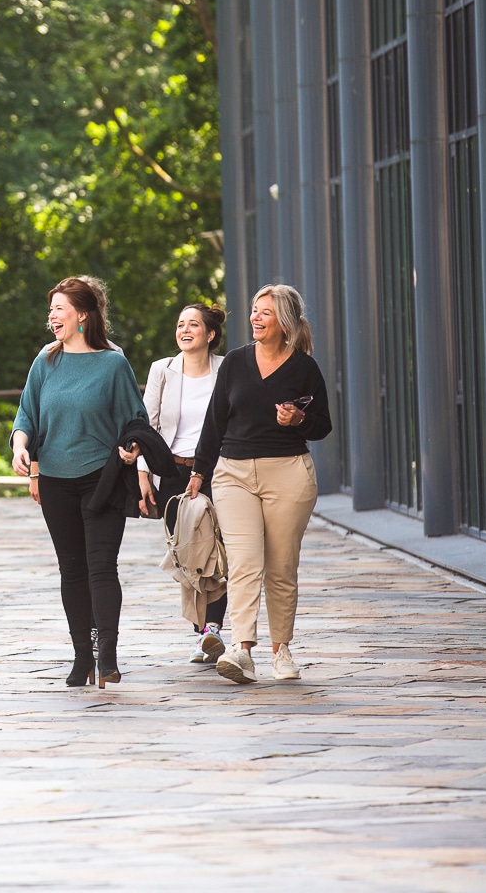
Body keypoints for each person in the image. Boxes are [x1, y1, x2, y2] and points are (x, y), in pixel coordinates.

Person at [187, 284, 332, 685]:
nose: (255, 317)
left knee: (282, 566)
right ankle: (242, 650)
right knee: (245, 562)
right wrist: (199, 472)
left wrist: (298, 420)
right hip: (233, 473)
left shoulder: (305, 368)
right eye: (254, 310)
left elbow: (323, 425)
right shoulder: (234, 362)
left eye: (264, 312)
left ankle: (281, 649)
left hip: (288, 473)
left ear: (284, 322)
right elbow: (215, 420)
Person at [10, 277, 147, 689]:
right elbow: (26, 417)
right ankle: (81, 656)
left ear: (82, 315)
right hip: (54, 480)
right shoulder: (45, 361)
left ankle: (107, 654)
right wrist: (21, 448)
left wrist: (131, 449)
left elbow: (134, 421)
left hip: (101, 480)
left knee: (102, 567)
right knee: (71, 570)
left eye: (59, 308)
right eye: (50, 309)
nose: (51, 316)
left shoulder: (112, 364)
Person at [137, 303, 229, 665]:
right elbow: (148, 425)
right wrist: (143, 474)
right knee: (189, 555)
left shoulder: (227, 369)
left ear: (210, 334)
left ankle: (212, 629)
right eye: (180, 324)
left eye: (194, 324)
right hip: (173, 474)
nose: (185, 330)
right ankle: (203, 631)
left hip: (218, 472)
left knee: (215, 552)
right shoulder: (163, 369)